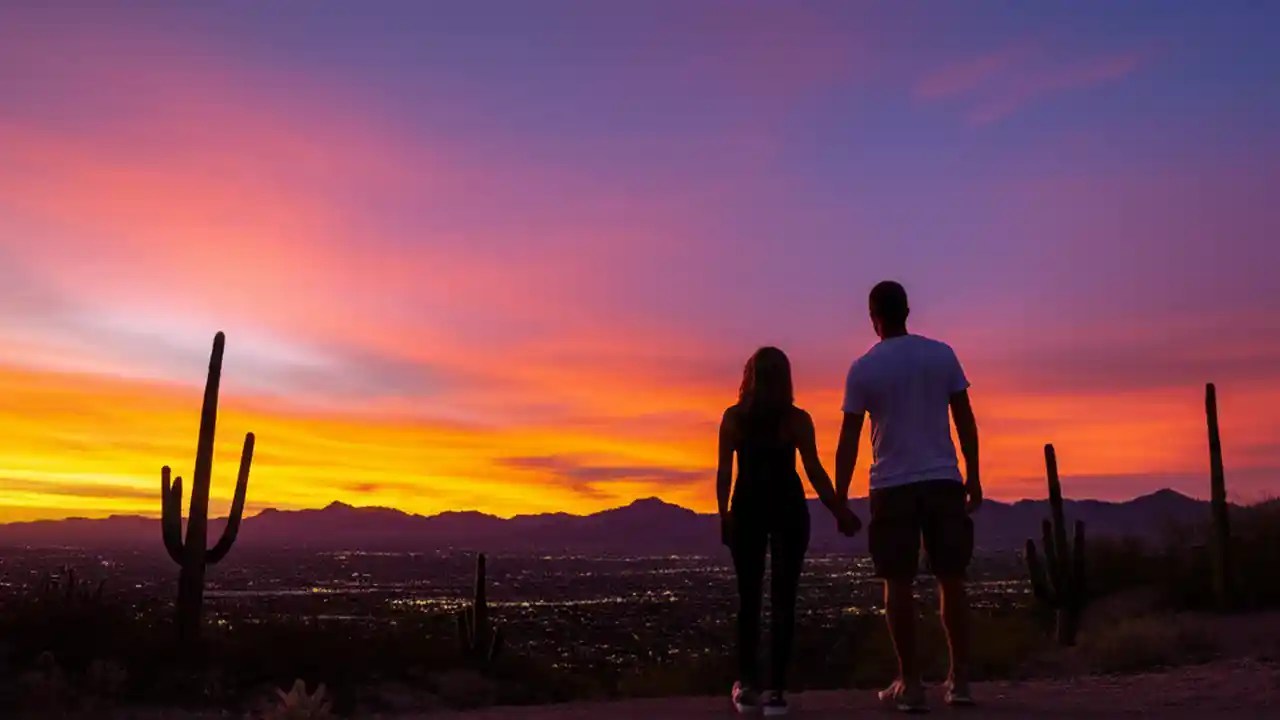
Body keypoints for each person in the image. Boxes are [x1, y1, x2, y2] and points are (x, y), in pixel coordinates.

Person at [834, 281, 982, 712]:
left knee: (897, 583)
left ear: (872, 317)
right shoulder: (941, 355)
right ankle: (960, 680)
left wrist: (841, 498)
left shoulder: (863, 368)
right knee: (951, 579)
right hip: (942, 480)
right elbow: (965, 420)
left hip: (892, 485)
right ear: (908, 310)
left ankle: (911, 684)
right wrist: (973, 474)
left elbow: (849, 439)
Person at [717, 346, 861, 716]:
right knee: (784, 601)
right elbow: (812, 470)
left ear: (749, 376)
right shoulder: (796, 420)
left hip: (747, 508)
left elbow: (724, 474)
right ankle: (776, 692)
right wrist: (838, 511)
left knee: (748, 600)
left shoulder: (734, 418)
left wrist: (724, 518)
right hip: (789, 509)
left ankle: (747, 688)